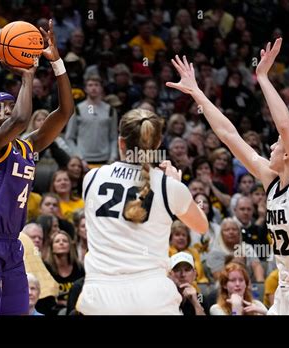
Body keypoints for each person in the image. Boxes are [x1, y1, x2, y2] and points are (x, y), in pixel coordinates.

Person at [167, 38, 289, 315]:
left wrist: (262, 76)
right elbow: (228, 134)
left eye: (277, 144)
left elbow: (285, 127)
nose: (271, 146)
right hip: (284, 293)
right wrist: (197, 93)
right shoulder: (271, 180)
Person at [0, 19, 74, 315]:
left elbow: (65, 112)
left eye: (12, 103)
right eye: (1, 106)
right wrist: (27, 76)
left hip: (11, 245)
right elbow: (20, 119)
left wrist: (57, 62)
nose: (9, 107)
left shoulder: (27, 146)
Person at [76, 108, 208, 315]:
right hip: (152, 297)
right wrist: (175, 186)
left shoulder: (91, 178)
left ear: (121, 142)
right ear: (157, 144)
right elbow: (201, 226)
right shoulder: (168, 187)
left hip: (100, 297)